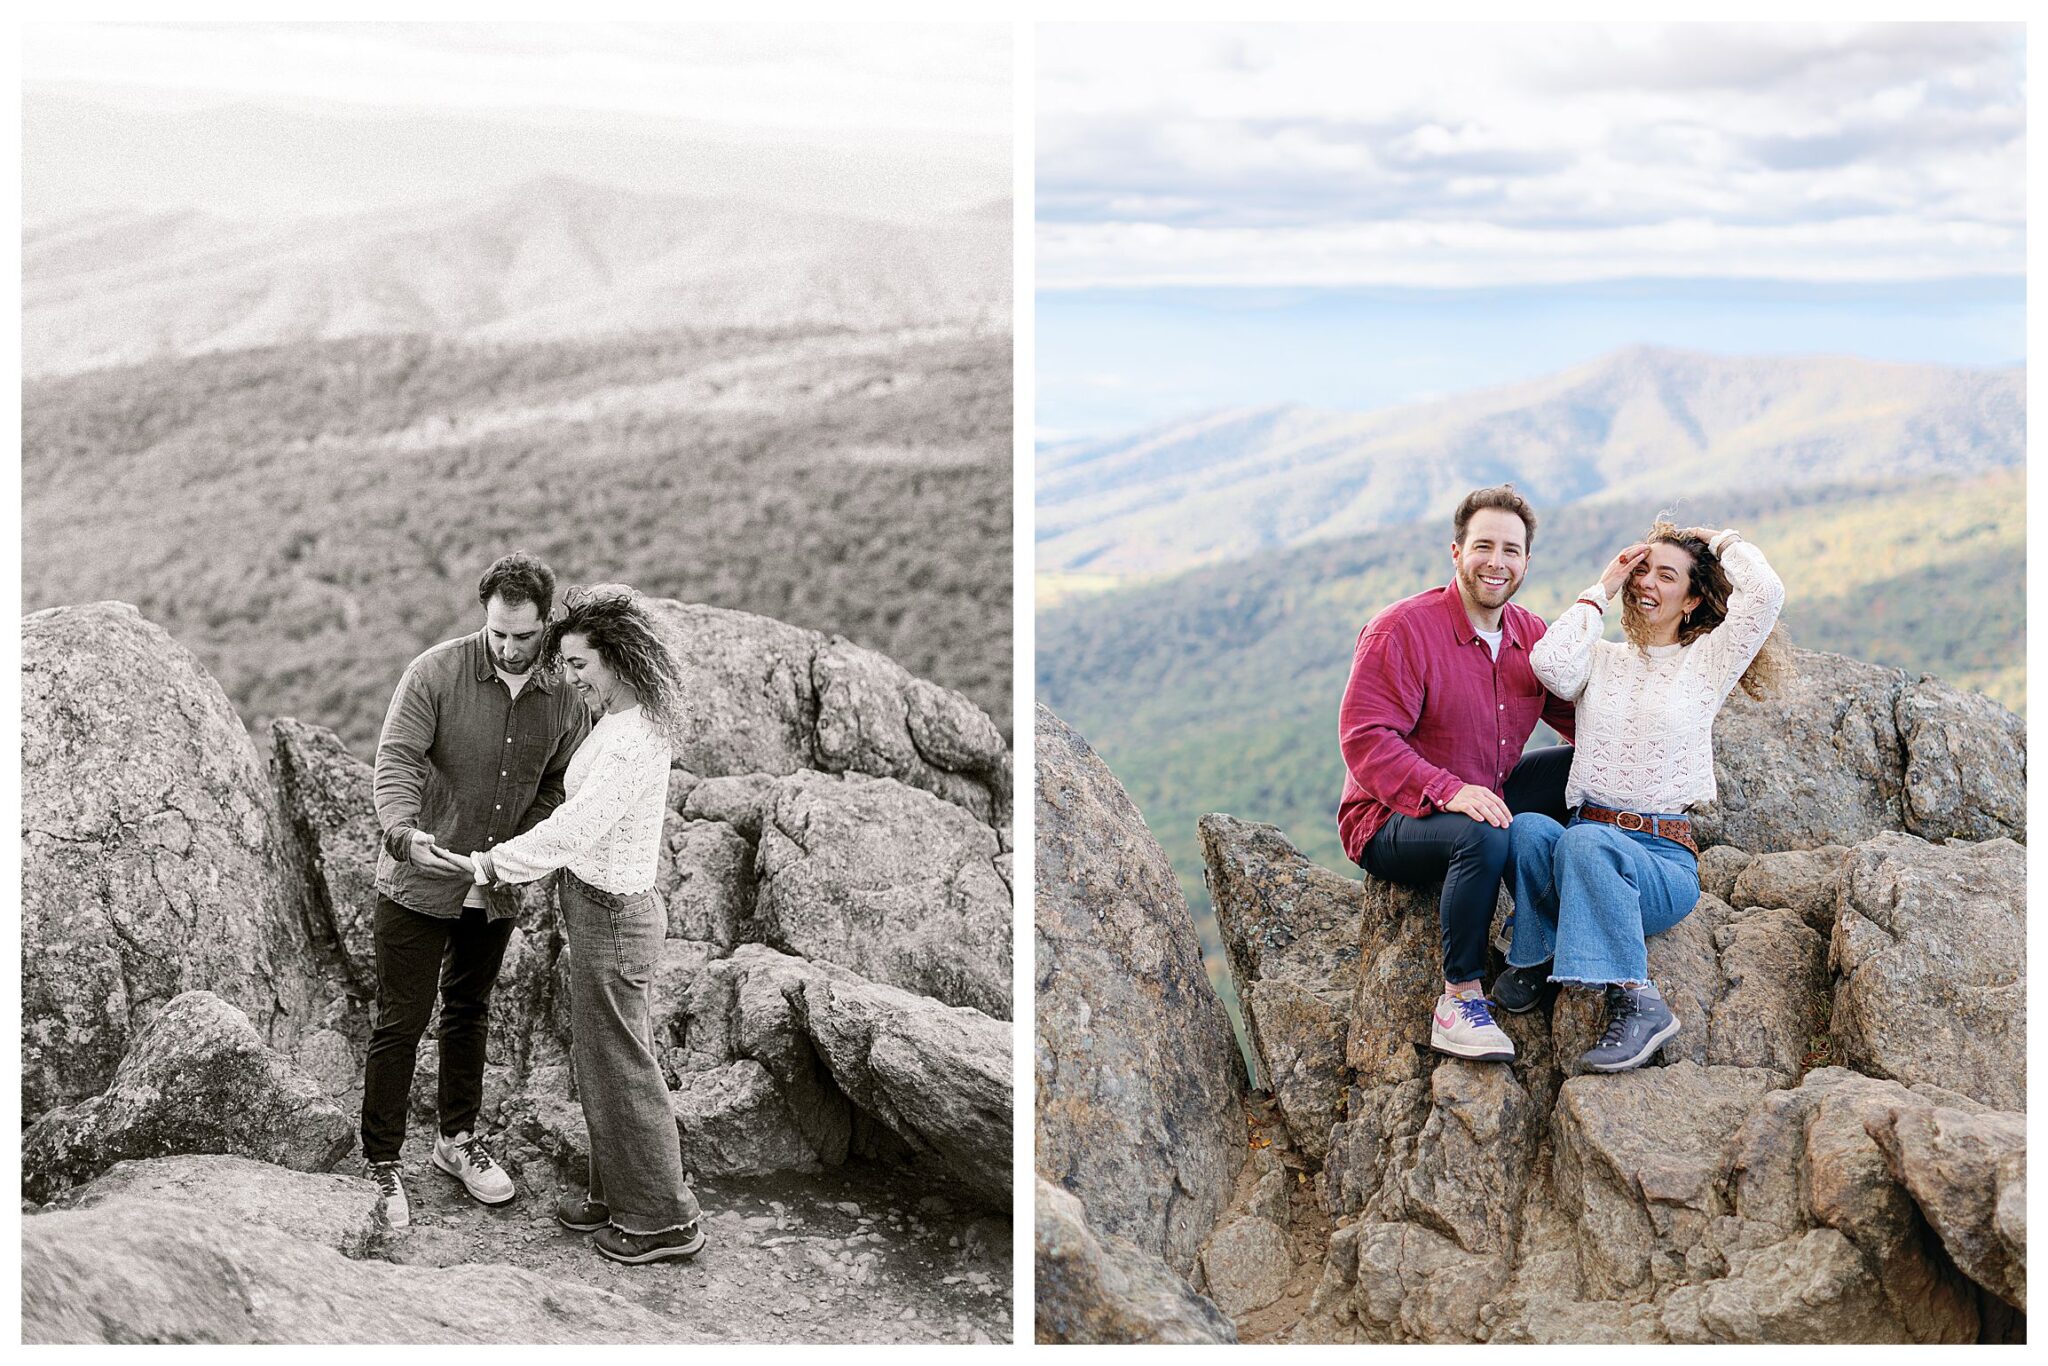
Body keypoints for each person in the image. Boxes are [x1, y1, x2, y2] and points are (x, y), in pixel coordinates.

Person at [450, 584, 707, 1266]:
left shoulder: (632, 739)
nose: (568, 677)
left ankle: (662, 1220)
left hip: (614, 918)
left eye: (579, 664)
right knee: (601, 1059)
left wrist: (493, 864)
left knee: (621, 1064)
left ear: (615, 660)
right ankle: (618, 1193)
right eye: (563, 664)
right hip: (599, 909)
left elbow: (579, 825)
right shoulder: (622, 719)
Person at [1494, 522, 1785, 1072]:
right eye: (1642, 570)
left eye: (1666, 576)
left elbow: (1766, 594)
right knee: (1527, 828)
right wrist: (1602, 588)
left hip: (1658, 861)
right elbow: (1548, 663)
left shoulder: (1707, 661)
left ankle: (1639, 1000)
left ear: (1692, 600)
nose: (1647, 582)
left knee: (1584, 843)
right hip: (1584, 844)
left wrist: (1719, 540)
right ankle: (1538, 952)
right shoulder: (1602, 660)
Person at [364, 552, 591, 1228]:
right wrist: (403, 833)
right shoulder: (434, 673)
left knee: (469, 1011)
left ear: (546, 623)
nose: (511, 648)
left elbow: (561, 783)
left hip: (495, 886)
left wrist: (517, 851)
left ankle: (456, 1141)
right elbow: (397, 759)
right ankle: (381, 1164)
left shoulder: (565, 694)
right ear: (484, 617)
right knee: (401, 1021)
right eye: (499, 633)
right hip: (418, 879)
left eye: (525, 635)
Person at [1338, 485, 1577, 1064]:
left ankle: (1550, 927)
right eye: (1483, 546)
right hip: (1390, 817)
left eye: (1511, 550)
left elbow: (1580, 719)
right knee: (1483, 831)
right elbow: (1365, 738)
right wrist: (1448, 790)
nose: (1497, 562)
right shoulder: (1403, 630)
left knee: (1582, 772)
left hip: (1485, 793)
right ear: (1457, 552)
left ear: (1526, 562)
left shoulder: (1530, 636)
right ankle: (1460, 1000)